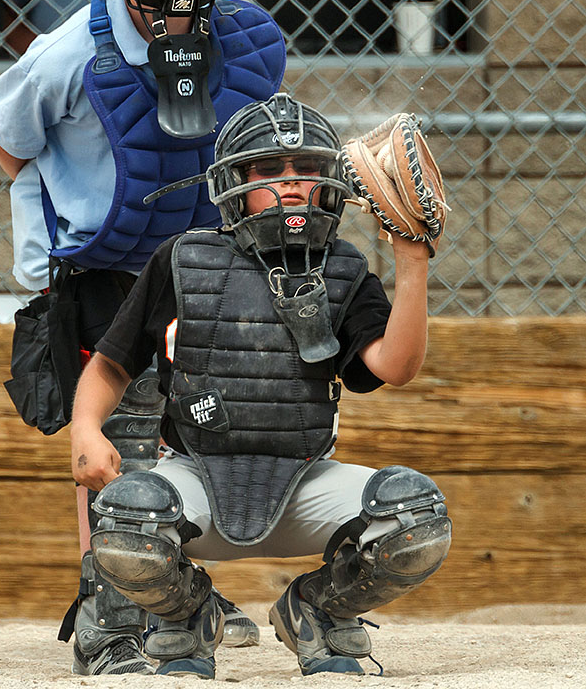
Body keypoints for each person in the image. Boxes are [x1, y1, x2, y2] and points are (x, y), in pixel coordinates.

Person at [0, 0, 286, 675]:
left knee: (199, 432)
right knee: (118, 445)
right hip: (110, 270)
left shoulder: (247, 42)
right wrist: (77, 209)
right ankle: (109, 618)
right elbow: (6, 140)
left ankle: (174, 590)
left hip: (206, 268)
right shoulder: (67, 53)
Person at [69, 93, 452, 679]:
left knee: (416, 517)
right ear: (231, 183)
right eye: (269, 170)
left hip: (305, 479)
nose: (291, 184)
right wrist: (87, 428)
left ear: (330, 181)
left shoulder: (344, 267)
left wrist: (412, 259)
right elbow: (112, 364)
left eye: (306, 170)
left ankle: (318, 612)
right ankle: (188, 616)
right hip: (195, 475)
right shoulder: (182, 258)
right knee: (125, 516)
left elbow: (393, 366)